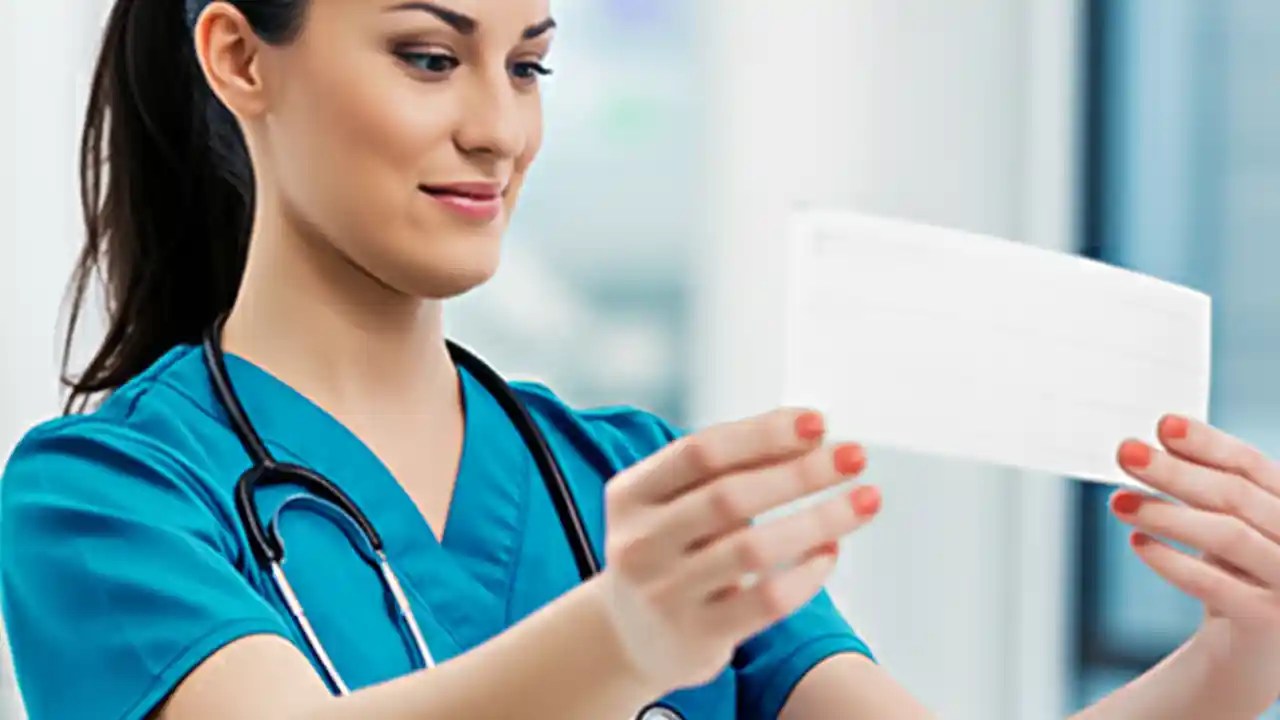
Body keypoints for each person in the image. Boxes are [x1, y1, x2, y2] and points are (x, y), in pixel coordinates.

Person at [2, 0, 1280, 718]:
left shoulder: (627, 484)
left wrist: (1233, 660)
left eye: (528, 66)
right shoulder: (104, 499)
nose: (499, 129)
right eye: (430, 59)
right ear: (239, 58)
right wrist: (619, 639)